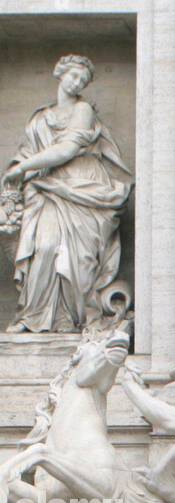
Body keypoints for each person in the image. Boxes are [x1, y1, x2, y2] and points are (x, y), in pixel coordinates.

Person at [1, 54, 133, 333]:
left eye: (83, 80)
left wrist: (24, 167)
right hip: (46, 188)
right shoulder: (39, 118)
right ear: (59, 73)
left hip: (81, 187)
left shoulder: (83, 109)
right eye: (74, 76)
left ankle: (72, 319)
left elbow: (67, 150)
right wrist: (18, 170)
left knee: (77, 258)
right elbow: (28, 151)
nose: (77, 83)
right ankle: (34, 316)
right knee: (45, 248)